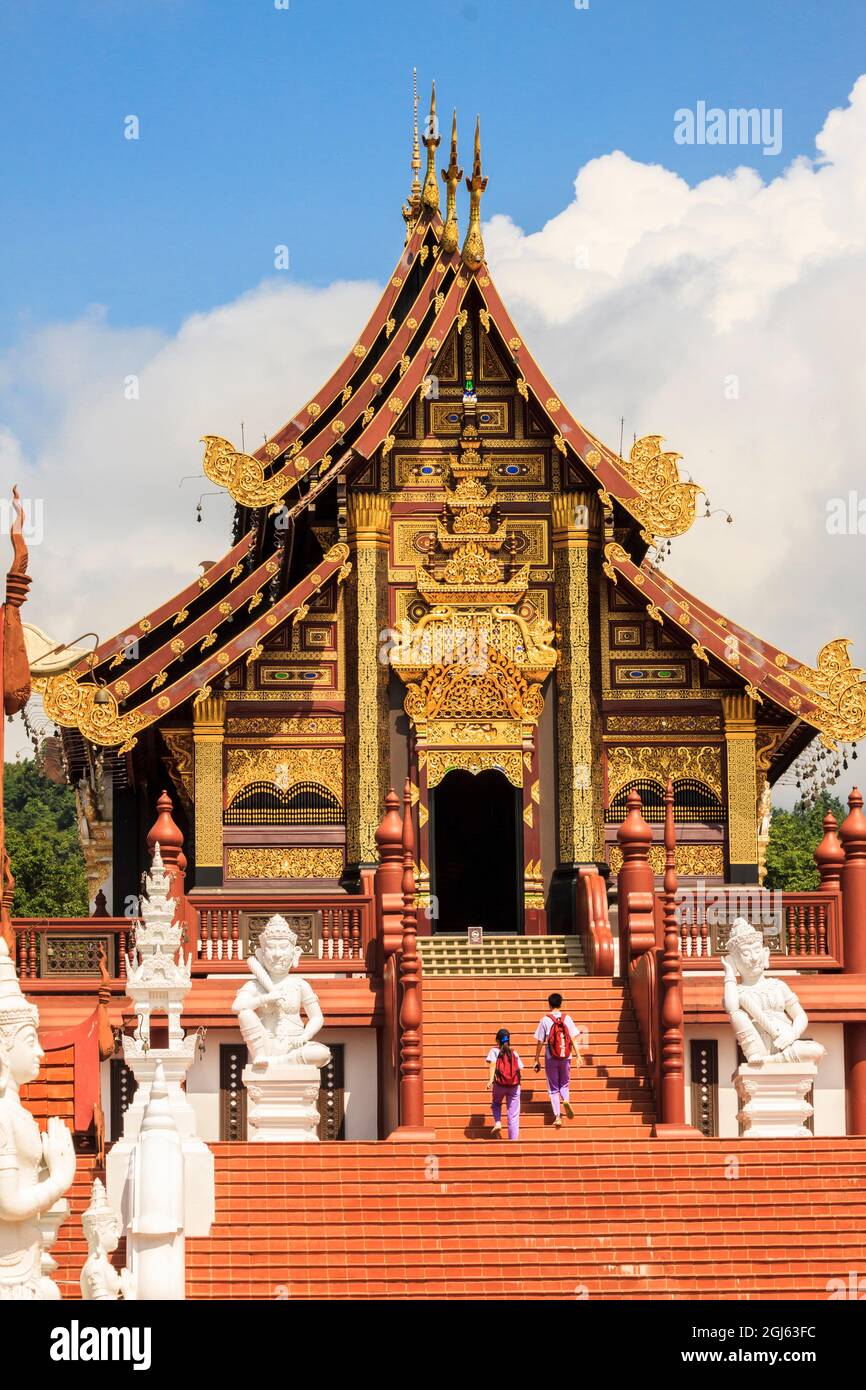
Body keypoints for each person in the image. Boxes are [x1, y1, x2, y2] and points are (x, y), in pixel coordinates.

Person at [533, 993, 582, 1129]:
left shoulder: (545, 1020)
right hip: (566, 1056)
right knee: (564, 1084)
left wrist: (536, 1058)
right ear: (561, 1004)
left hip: (551, 1057)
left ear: (549, 1004)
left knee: (553, 1088)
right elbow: (573, 1038)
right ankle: (565, 1100)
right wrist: (578, 1056)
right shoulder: (567, 1018)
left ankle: (557, 1116)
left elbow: (540, 1041)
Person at [485, 1027, 523, 1140]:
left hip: (499, 1085)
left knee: (496, 1103)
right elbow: (519, 1069)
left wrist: (490, 1081)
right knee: (513, 1115)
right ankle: (513, 1140)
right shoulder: (514, 1052)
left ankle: (497, 1122)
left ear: (497, 1040)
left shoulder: (494, 1051)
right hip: (514, 1086)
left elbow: (492, 1065)